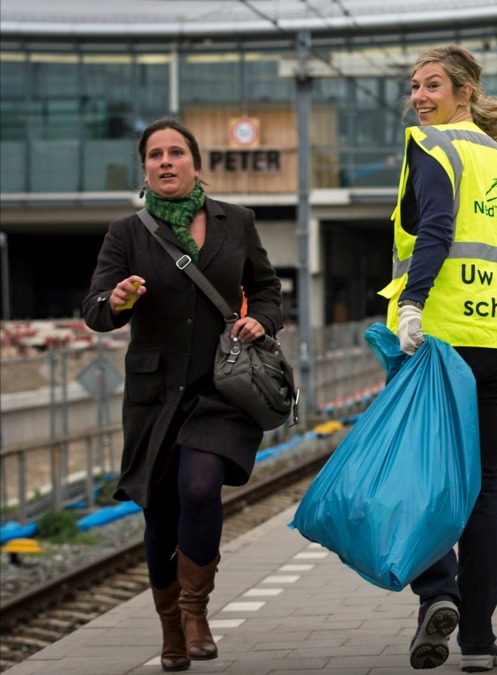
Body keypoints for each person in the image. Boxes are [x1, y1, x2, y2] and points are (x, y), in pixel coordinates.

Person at [82, 118, 283, 672]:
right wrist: (118, 299)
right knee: (161, 513)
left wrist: (260, 322)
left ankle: (195, 613)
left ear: (196, 163)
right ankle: (171, 629)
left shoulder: (235, 222)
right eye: (155, 156)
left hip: (223, 388)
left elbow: (266, 288)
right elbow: (96, 310)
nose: (166, 162)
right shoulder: (127, 233)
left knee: (199, 488)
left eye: (176, 153)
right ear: (144, 168)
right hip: (155, 394)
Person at [378, 44, 497, 672]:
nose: (419, 96)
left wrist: (412, 303)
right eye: (414, 86)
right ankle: (477, 640)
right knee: (484, 493)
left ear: (464, 92)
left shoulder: (434, 147)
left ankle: (437, 592)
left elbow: (436, 228)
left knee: (426, 476)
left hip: (446, 340)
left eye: (433, 85)